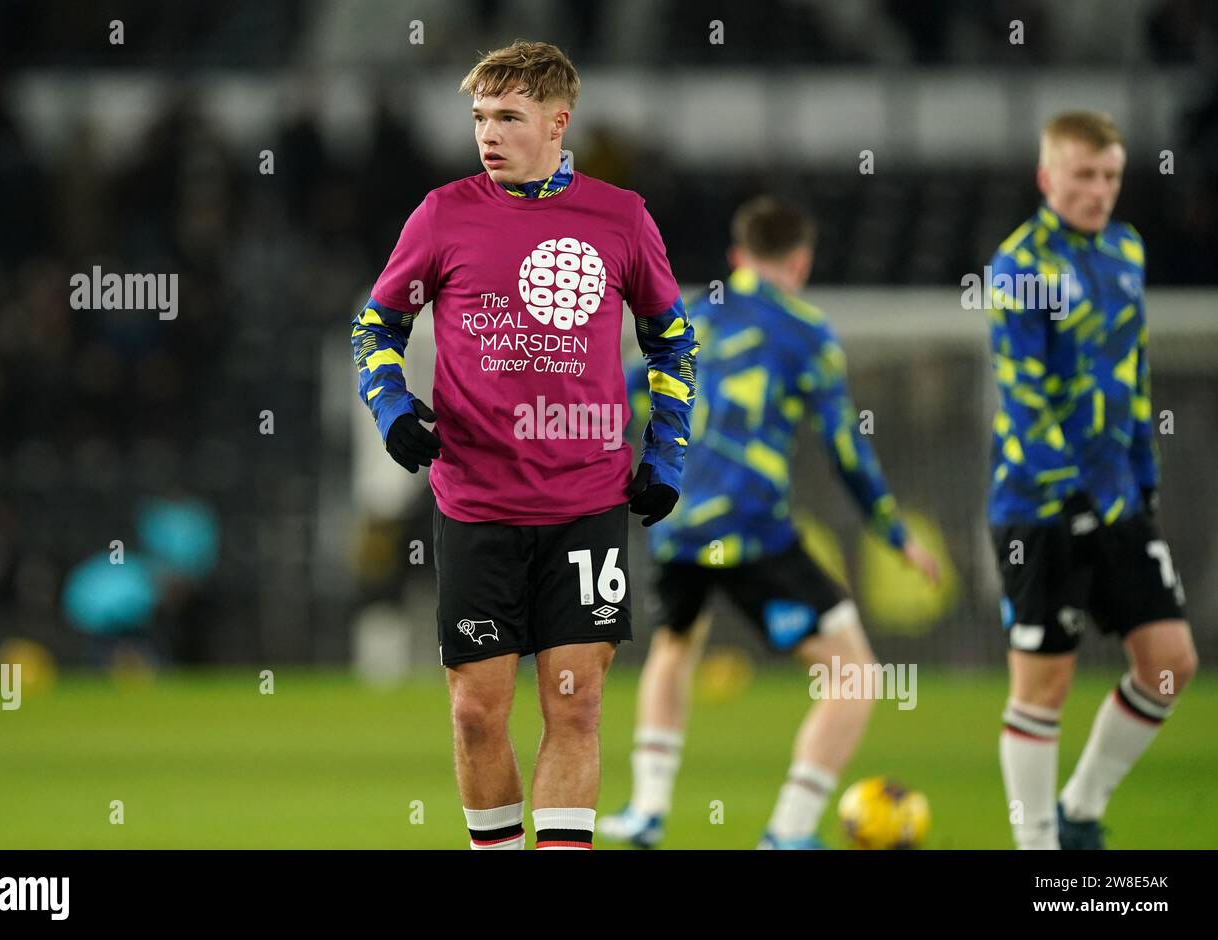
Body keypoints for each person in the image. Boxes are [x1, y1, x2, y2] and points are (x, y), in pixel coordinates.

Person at [351, 40, 698, 850]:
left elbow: (672, 342)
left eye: (508, 116)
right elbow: (376, 326)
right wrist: (392, 407)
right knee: (476, 714)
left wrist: (667, 452)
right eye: (479, 117)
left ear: (557, 120)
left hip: (585, 502)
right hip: (476, 503)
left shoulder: (621, 216)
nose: (489, 133)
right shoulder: (441, 214)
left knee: (574, 703)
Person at [600, 196, 938, 849]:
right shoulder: (808, 333)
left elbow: (622, 395)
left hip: (675, 526)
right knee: (856, 676)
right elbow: (846, 449)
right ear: (801, 262)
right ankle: (788, 831)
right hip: (751, 532)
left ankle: (646, 810)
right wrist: (894, 532)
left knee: (675, 647)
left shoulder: (690, 316)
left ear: (737, 258)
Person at [988, 111, 1197, 849]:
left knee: (1170, 663)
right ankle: (1039, 850)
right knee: (1043, 686)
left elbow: (1133, 373)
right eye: (1084, 174)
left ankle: (1080, 809)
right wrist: (1071, 493)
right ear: (1048, 177)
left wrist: (1142, 477)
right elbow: (1023, 392)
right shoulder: (1018, 267)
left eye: (1110, 175)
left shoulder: (1126, 251)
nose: (1099, 190)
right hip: (1038, 506)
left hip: (1116, 499)